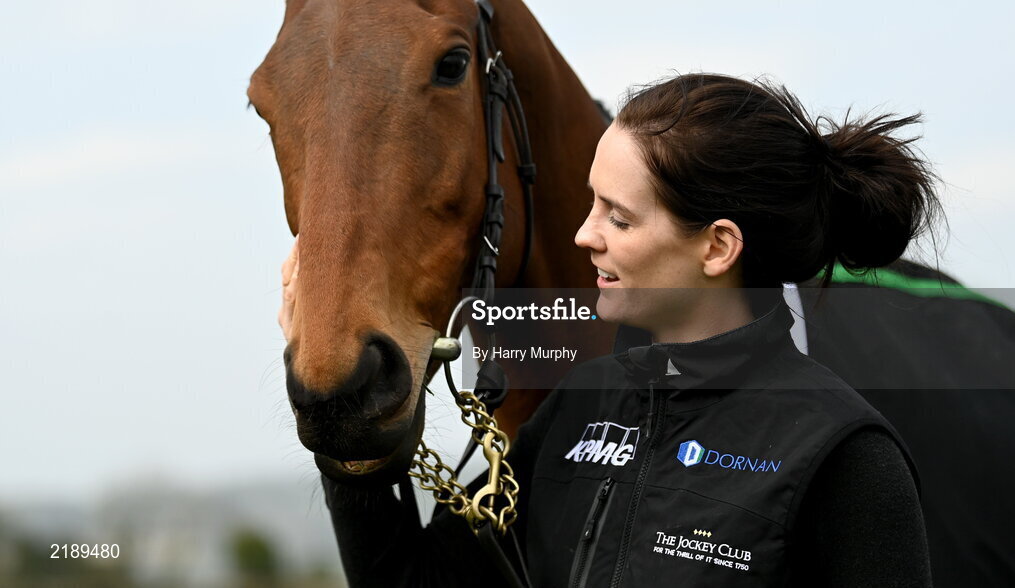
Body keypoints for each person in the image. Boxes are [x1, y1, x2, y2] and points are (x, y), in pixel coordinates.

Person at [280, 73, 937, 587]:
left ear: (717, 248)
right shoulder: (578, 409)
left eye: (618, 218)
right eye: (592, 203)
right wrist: (336, 403)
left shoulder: (843, 456)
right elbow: (411, 584)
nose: (583, 235)